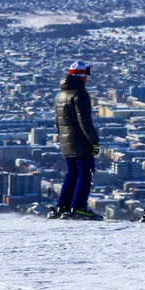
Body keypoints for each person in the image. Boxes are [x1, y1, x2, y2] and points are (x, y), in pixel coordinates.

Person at [51, 61, 102, 220]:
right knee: (85, 173)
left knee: (72, 173)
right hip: (80, 141)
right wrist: (94, 142)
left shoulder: (60, 95)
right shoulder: (80, 94)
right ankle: (79, 206)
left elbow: (57, 123)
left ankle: (62, 206)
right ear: (81, 75)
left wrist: (63, 139)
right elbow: (85, 122)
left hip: (66, 142)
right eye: (85, 75)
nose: (86, 78)